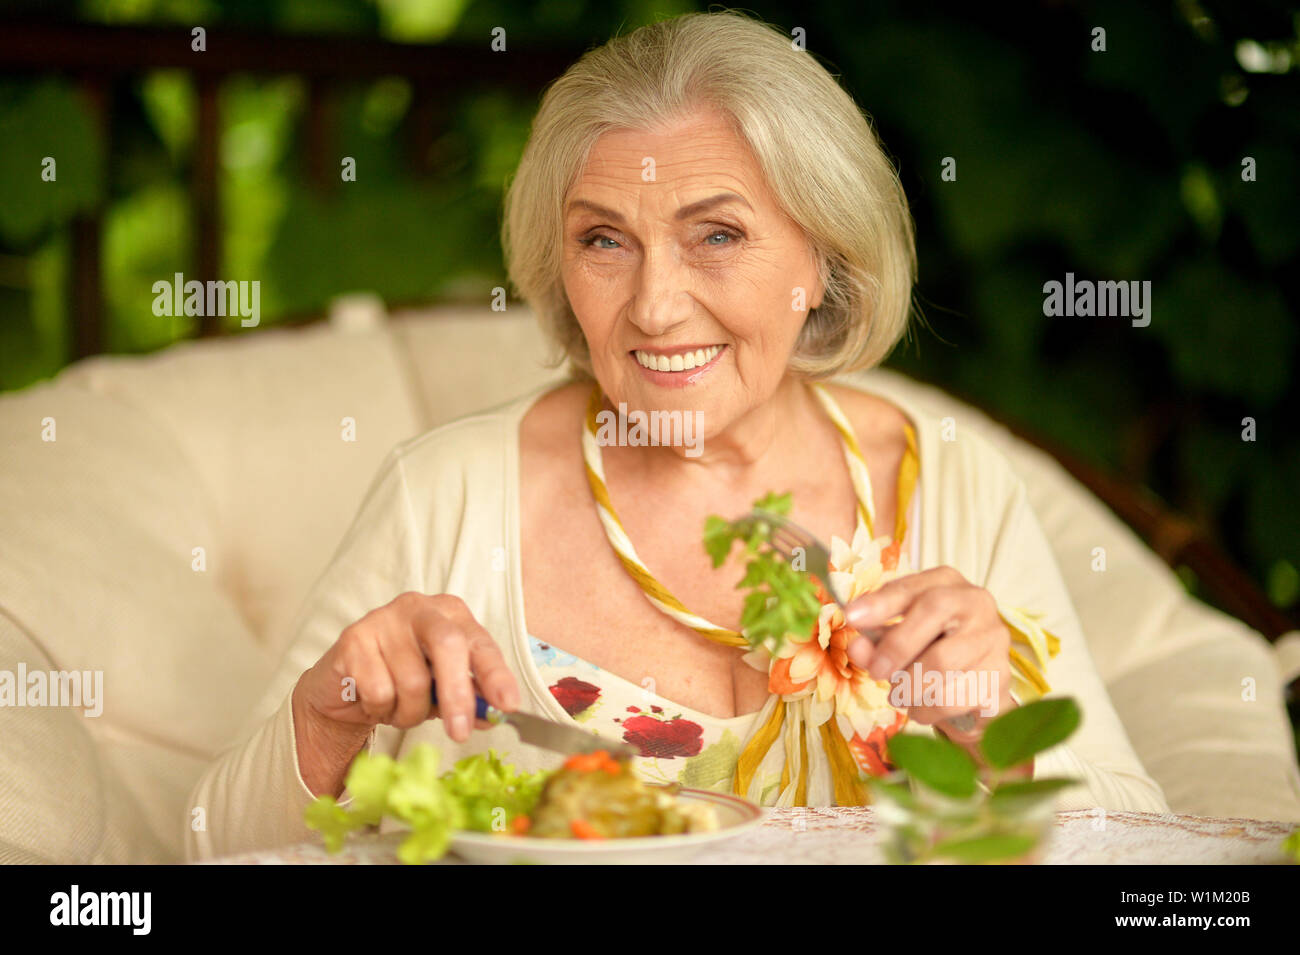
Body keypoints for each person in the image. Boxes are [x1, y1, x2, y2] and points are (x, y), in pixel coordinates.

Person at [186, 9, 1167, 861]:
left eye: (717, 234)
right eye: (603, 240)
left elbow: (1145, 854)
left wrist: (996, 736)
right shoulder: (447, 490)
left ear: (821, 259)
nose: (654, 307)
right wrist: (326, 717)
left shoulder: (951, 484)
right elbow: (206, 849)